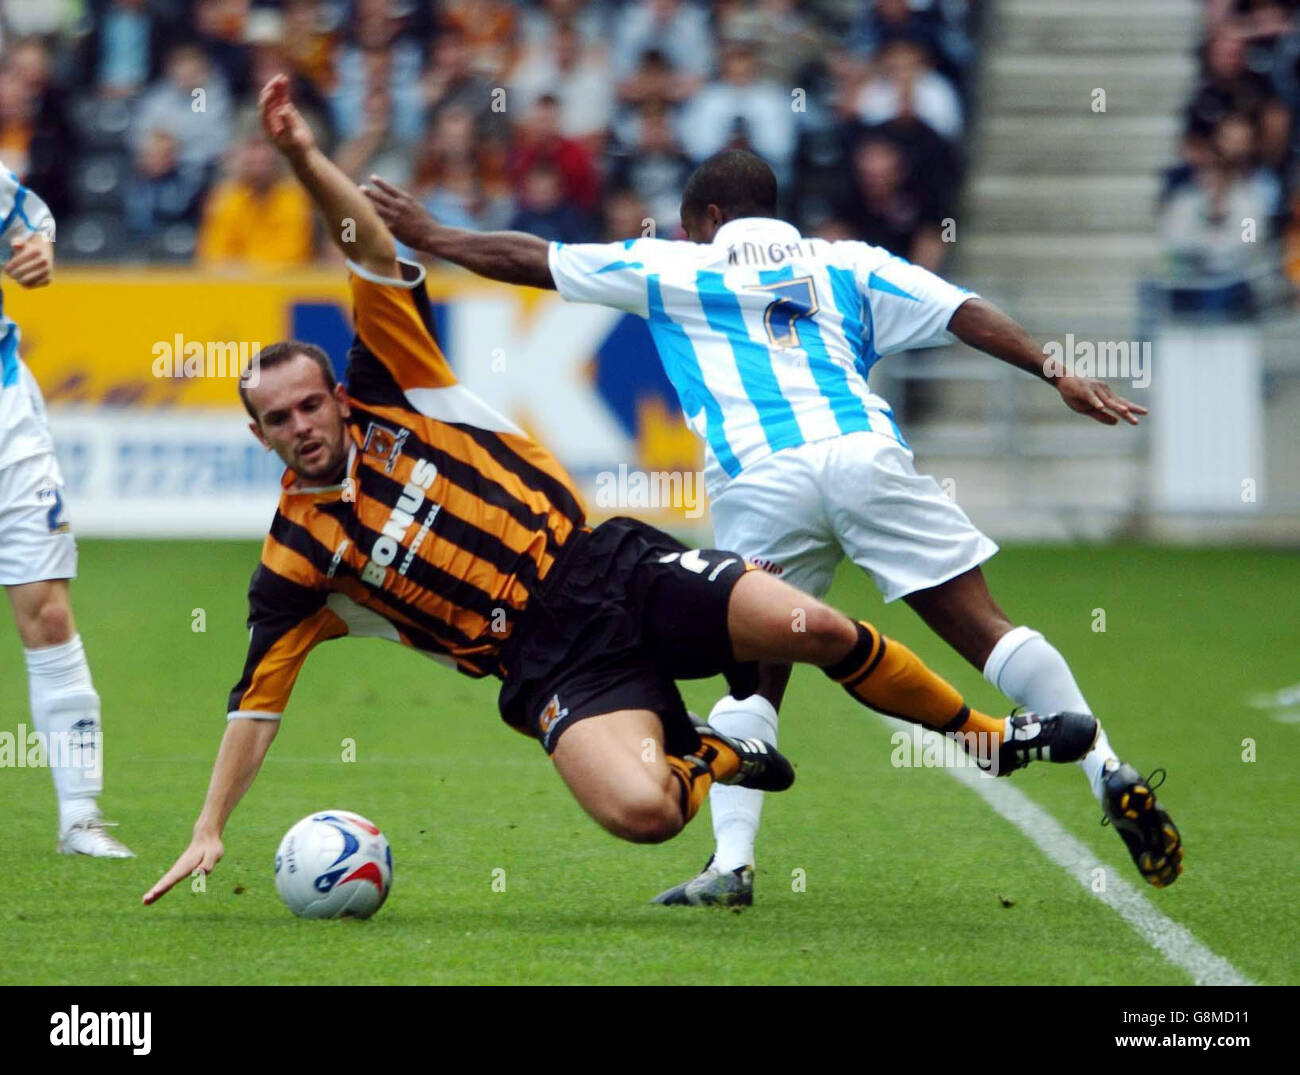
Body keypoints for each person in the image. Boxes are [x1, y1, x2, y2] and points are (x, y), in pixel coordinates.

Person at [142, 79, 1098, 906]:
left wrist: (306, 155)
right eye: (281, 418)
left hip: (611, 564)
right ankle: (716, 750)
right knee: (643, 815)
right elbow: (254, 703)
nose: (305, 422)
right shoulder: (292, 561)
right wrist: (209, 827)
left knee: (812, 627)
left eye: (313, 402)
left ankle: (980, 736)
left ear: (337, 396)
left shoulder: (396, 386)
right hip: (545, 662)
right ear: (261, 434)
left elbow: (363, 246)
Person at [362, 148, 1183, 905]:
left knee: (753, 681)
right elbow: (964, 310)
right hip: (863, 457)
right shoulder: (846, 263)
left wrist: (431, 233)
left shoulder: (672, 263)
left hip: (762, 481)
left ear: (709, 219)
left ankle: (732, 864)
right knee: (989, 630)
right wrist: (1055, 369)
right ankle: (1107, 767)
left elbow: (533, 259)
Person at [0, 167, 132, 858]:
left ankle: (79, 816)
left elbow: (30, 222)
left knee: (47, 609)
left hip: (6, 422)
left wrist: (37, 250)